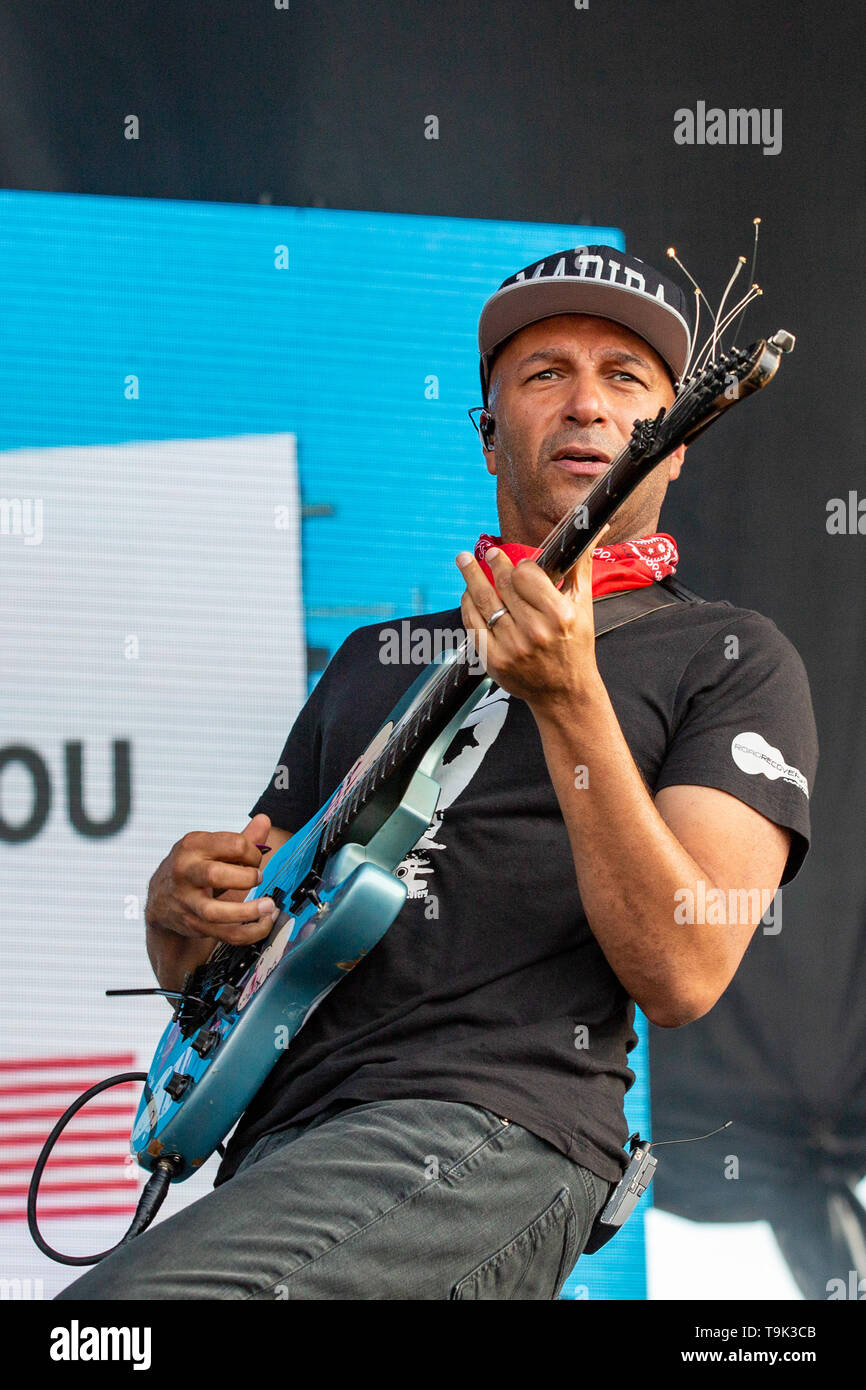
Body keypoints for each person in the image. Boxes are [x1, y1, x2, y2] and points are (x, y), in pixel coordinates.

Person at [58, 245, 818, 1300]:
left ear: (675, 445)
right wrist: (179, 913)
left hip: (493, 1130)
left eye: (626, 378)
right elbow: (233, 962)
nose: (587, 404)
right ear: (488, 429)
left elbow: (683, 967)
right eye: (544, 372)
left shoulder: (730, 656)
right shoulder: (379, 658)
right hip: (282, 1148)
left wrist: (568, 697)